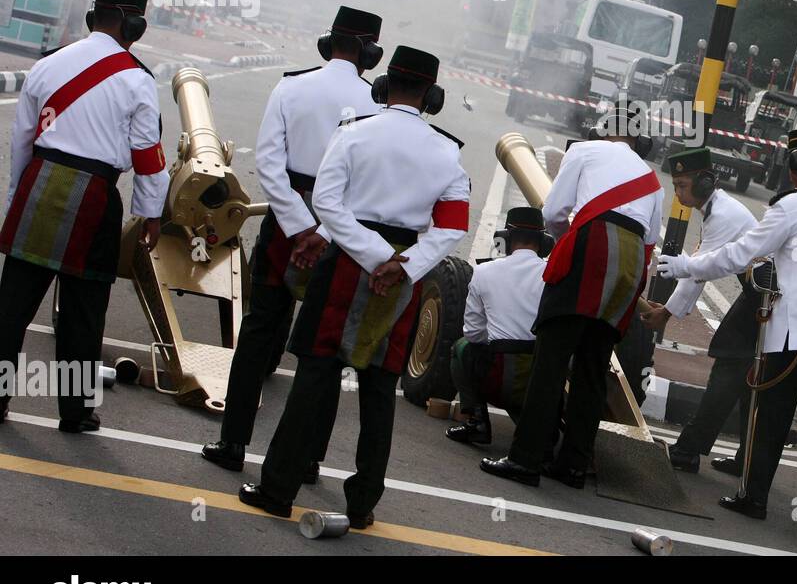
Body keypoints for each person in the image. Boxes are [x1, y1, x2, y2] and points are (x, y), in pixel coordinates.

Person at [238, 46, 469, 528]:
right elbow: (451, 227)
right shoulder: (447, 153)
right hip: (402, 272)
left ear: (384, 86)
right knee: (379, 392)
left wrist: (368, 254)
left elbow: (326, 201)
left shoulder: (354, 133)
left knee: (313, 382)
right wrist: (401, 264)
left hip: (344, 265)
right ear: (433, 95)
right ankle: (362, 505)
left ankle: (278, 489)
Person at [657, 129, 797, 532]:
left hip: (793, 335)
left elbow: (739, 255)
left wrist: (685, 266)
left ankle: (754, 498)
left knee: (771, 416)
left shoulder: (791, 208)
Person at [203, 6, 383, 478]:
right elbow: (361, 186)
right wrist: (323, 231)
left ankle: (232, 441)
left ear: (329, 42)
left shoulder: (291, 85)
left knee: (259, 331)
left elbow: (267, 163)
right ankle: (307, 458)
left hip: (286, 223)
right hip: (341, 226)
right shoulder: (375, 106)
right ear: (371, 52)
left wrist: (298, 225)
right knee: (325, 348)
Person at [0, 0, 165, 431]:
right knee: (85, 312)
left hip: (40, 183)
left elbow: (22, 141)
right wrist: (150, 212)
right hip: (94, 196)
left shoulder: (49, 63)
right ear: (135, 24)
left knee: (11, 309)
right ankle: (75, 413)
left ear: (95, 16)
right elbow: (148, 158)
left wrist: (18, 198)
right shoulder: (137, 80)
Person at [481, 104, 662, 488]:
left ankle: (526, 458)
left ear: (599, 132)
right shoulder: (651, 178)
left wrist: (570, 237)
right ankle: (574, 465)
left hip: (590, 247)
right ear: (639, 141)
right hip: (628, 265)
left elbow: (552, 213)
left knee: (550, 358)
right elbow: (649, 239)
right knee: (593, 369)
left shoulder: (582, 151)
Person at [640, 147, 761, 475]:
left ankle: (688, 451)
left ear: (704, 184)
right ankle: (748, 461)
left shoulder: (722, 216)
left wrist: (665, 313)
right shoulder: (714, 211)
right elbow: (700, 265)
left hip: (764, 299)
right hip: (759, 294)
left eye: (681, 185)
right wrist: (668, 308)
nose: (676, 192)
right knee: (749, 380)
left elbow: (698, 272)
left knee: (729, 364)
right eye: (675, 184)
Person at [445, 206, 549, 446]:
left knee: (461, 348)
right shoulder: (554, 275)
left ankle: (477, 421)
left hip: (497, 379)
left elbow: (472, 334)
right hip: (540, 381)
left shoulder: (483, 272)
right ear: (545, 242)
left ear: (504, 237)